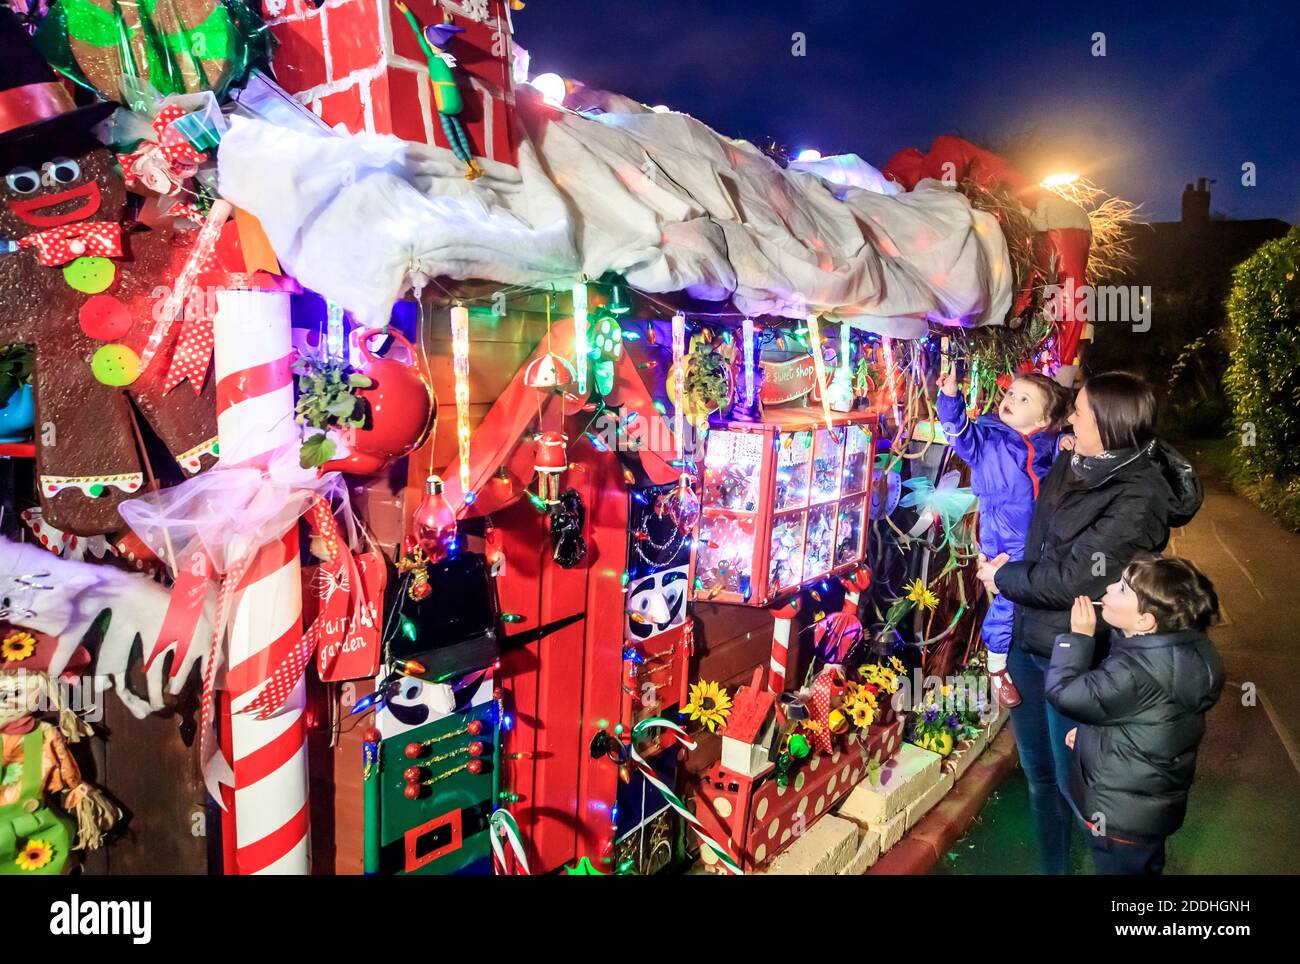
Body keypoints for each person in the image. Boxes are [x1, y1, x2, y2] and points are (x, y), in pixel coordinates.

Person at [975, 371, 1202, 874]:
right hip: (1026, 643)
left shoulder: (1138, 496)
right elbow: (1039, 537)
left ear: (1109, 427)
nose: (1068, 418)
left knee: (1080, 786)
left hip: (1079, 655)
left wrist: (1002, 576)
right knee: (1040, 778)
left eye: (1077, 411)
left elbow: (1076, 577)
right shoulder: (1077, 455)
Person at [1047, 555, 1224, 875]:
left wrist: (1079, 638)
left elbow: (1064, 693)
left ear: (1145, 621)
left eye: (1124, 590)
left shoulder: (1134, 671)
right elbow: (1145, 723)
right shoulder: (1191, 651)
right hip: (1147, 811)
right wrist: (1088, 735)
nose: (1111, 587)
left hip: (1118, 820)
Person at [936, 368, 1072, 707]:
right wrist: (951, 399)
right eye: (1011, 393)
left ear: (1043, 418)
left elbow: (1062, 470)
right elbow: (957, 432)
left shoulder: (1049, 444)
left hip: (1040, 538)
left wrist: (1066, 444)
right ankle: (996, 663)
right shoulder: (988, 437)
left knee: (1033, 595)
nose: (1010, 400)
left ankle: (1030, 653)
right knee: (1009, 598)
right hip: (1003, 538)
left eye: (1024, 399)